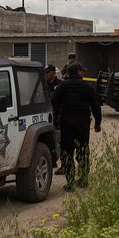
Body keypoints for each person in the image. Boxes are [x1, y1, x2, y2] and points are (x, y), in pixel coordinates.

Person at [51, 63, 101, 191]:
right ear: (78, 72)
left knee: (67, 153)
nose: (84, 73)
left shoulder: (62, 86)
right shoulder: (88, 86)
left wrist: (58, 118)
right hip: (82, 123)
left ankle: (70, 183)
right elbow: (96, 105)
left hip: (66, 123)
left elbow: (54, 102)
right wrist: (97, 123)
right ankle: (83, 180)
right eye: (82, 71)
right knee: (83, 151)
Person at [43, 64, 63, 174]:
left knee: (61, 141)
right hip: (47, 116)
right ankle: (52, 161)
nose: (45, 75)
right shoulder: (43, 85)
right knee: (48, 140)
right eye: (45, 73)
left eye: (47, 72)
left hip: (58, 116)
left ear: (53, 73)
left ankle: (64, 164)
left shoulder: (60, 84)